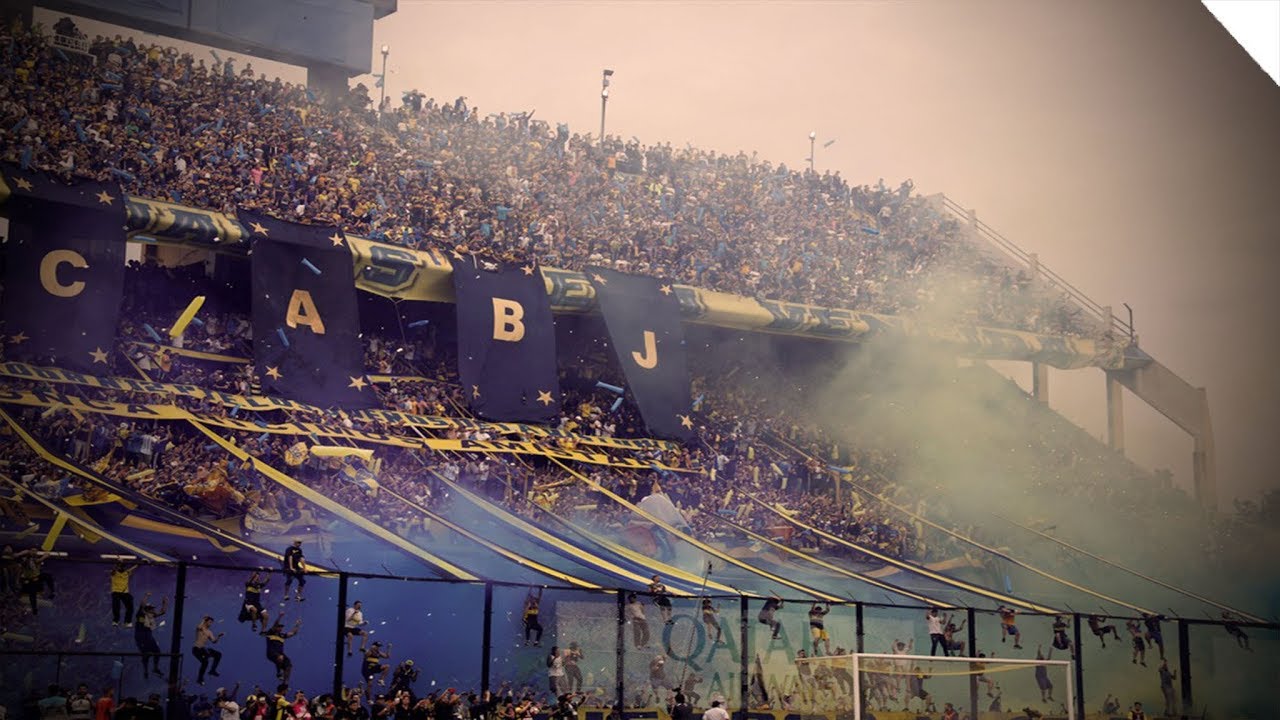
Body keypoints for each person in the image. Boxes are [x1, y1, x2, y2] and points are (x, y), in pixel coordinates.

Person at [134, 593, 167, 678]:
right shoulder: (141, 614)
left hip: (147, 635)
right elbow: (142, 606)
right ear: (148, 609)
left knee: (156, 651)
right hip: (141, 635)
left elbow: (163, 612)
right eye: (152, 609)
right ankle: (146, 671)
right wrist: (146, 596)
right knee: (146, 653)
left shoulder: (151, 615)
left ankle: (155, 668)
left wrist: (165, 603)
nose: (153, 610)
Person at [262, 617, 302, 684]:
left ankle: (285, 683)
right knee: (280, 657)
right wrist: (279, 617)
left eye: (281, 627)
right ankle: (279, 672)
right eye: (279, 627)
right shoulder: (270, 633)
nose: (281, 628)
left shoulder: (282, 635)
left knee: (289, 666)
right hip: (271, 653)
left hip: (280, 653)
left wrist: (297, 625)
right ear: (276, 628)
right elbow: (275, 624)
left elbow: (293, 633)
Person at [17, 549, 55, 615]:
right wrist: (44, 556)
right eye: (33, 551)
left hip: (36, 578)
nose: (34, 552)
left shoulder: (34, 559)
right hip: (29, 580)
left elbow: (37, 562)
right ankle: (34, 608)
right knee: (32, 592)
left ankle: (52, 591)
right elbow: (37, 562)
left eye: (35, 551)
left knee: (47, 577)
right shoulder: (26, 559)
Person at [192, 615, 225, 685]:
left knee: (218, 654)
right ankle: (200, 679)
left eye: (211, 623)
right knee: (205, 662)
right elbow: (198, 627)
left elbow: (214, 641)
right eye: (209, 622)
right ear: (206, 622)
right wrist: (204, 619)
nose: (210, 624)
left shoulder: (209, 632)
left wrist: (218, 636)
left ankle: (212, 670)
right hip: (196, 649)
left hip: (204, 649)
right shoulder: (201, 628)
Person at [110, 562, 139, 627]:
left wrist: (140, 563)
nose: (121, 568)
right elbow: (113, 570)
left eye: (122, 567)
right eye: (120, 567)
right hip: (116, 592)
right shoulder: (114, 573)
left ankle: (128, 621)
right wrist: (117, 563)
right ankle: (115, 621)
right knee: (116, 606)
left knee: (130, 606)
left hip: (124, 592)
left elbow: (134, 567)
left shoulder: (126, 572)